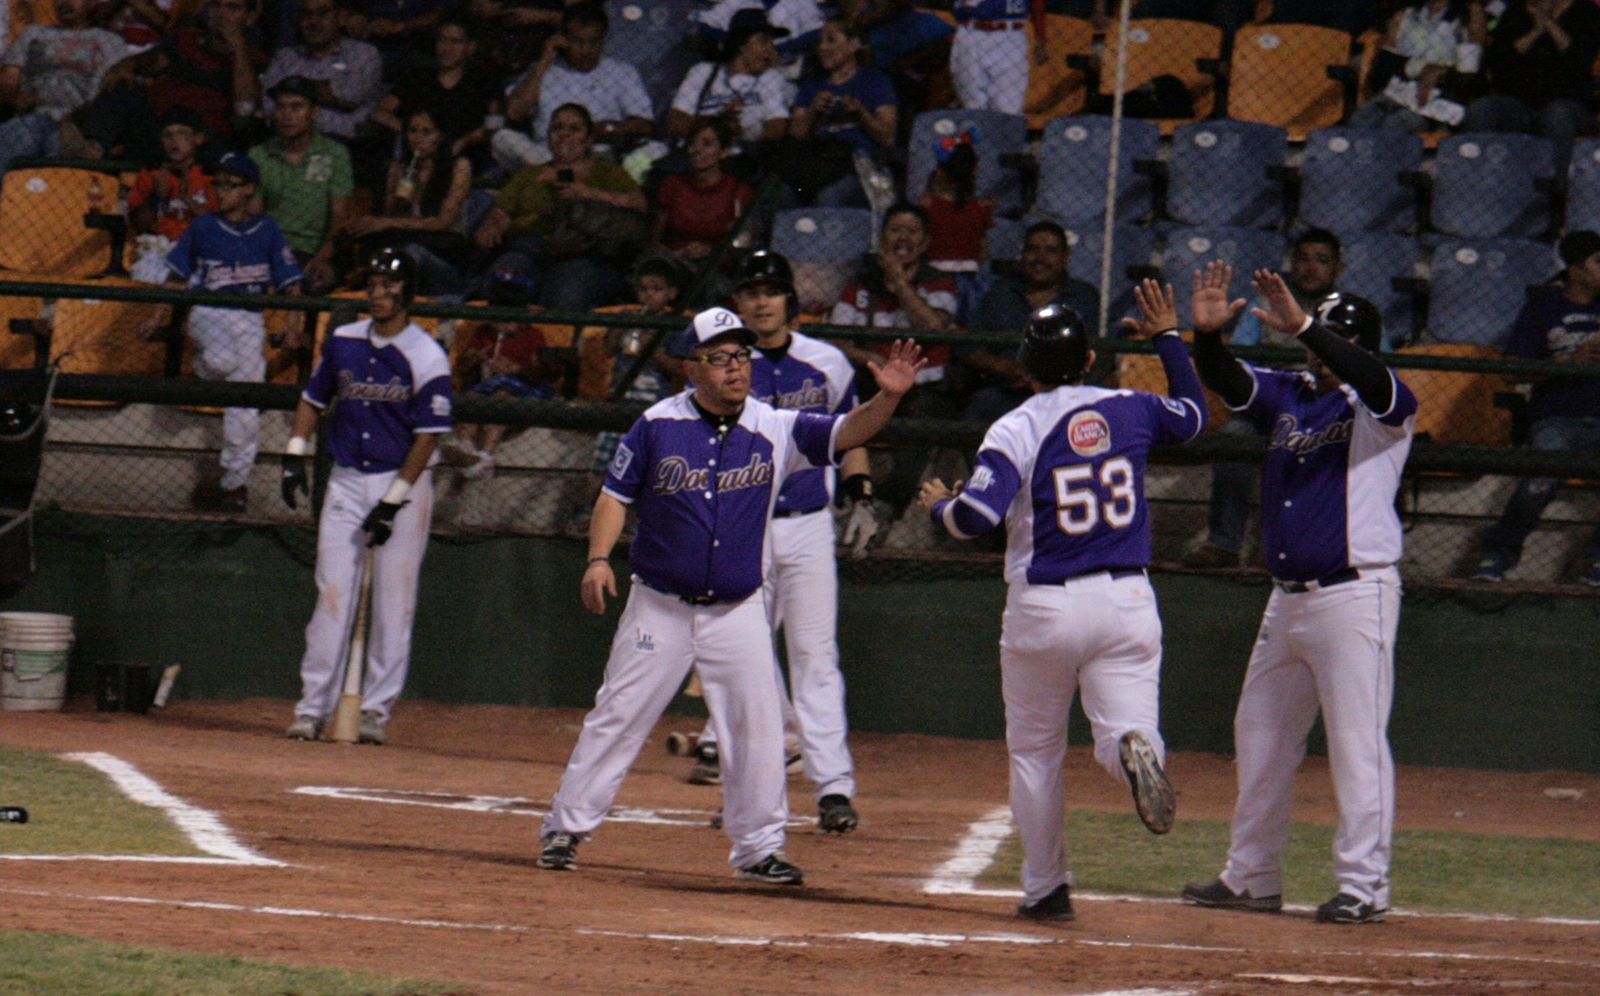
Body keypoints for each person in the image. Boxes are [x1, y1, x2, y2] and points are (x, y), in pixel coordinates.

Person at [534, 308, 925, 883]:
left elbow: (847, 433)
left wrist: (886, 398)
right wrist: (597, 559)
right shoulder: (656, 425)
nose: (735, 367)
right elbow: (615, 495)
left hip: (738, 609)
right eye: (719, 357)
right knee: (617, 716)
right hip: (660, 605)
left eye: (741, 355)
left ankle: (758, 848)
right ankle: (564, 828)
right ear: (693, 368)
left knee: (757, 729)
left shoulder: (775, 426)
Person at [918, 285, 1207, 921]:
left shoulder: (1017, 425)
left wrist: (939, 504)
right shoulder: (1129, 405)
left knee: (1036, 752)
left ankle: (1047, 887)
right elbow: (1193, 416)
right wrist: (1167, 339)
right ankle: (1137, 751)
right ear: (1088, 360)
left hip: (1046, 605)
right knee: (1125, 724)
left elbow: (975, 517)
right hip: (1128, 598)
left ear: (1026, 364)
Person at [1180, 262, 1418, 926]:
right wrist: (1205, 340)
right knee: (1258, 733)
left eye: (1332, 345)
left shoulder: (1382, 405)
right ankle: (1252, 875)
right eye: (1316, 347)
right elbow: (1230, 381)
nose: (1320, 358)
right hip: (1286, 599)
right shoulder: (1293, 393)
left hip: (1355, 594)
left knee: (1356, 743)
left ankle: (1365, 885)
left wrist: (1312, 325)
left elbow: (1374, 380)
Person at [676, 251, 875, 832]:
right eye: (750, 291)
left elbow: (849, 434)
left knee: (816, 657)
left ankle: (833, 788)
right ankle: (747, 794)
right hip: (746, 525)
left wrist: (861, 492)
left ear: (790, 299)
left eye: (771, 290)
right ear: (736, 302)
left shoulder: (827, 363)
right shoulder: (724, 367)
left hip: (810, 522)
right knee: (746, 663)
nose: (761, 301)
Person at [281, 249, 453, 746]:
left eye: (389, 286)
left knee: (392, 604)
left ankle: (374, 710)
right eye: (373, 285)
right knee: (332, 595)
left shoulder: (426, 355)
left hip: (402, 482)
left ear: (407, 292)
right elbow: (314, 398)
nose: (379, 294)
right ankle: (313, 709)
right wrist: (294, 453)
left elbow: (428, 435)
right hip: (347, 478)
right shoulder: (343, 341)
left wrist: (393, 501)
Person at [1184, 230, 1383, 570]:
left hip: (1351, 416)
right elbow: (1231, 372)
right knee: (1235, 434)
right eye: (1303, 259)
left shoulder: (1360, 315)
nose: (1310, 268)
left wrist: (1306, 331)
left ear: (1339, 267)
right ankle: (1225, 543)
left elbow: (1381, 373)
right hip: (1282, 406)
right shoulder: (1268, 315)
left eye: (1322, 260)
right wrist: (1207, 336)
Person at [133, 152, 303, 513]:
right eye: (218, 183)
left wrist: (292, 326)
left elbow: (292, 285)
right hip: (208, 313)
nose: (221, 190)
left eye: (230, 184)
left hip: (250, 319)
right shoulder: (204, 227)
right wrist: (157, 317)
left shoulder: (268, 229)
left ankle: (235, 483)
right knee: (226, 363)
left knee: (247, 390)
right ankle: (205, 367)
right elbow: (176, 278)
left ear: (249, 190)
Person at [1472, 230, 1600, 585]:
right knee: (1537, 483)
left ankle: (1597, 562)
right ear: (1575, 270)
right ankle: (1498, 554)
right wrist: (1569, 362)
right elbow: (1512, 373)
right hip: (1558, 418)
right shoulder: (1544, 308)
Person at [830, 203, 959, 524]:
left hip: (924, 386)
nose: (903, 238)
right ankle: (840, 501)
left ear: (926, 242)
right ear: (882, 237)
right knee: (836, 410)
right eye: (895, 230)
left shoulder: (939, 282)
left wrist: (899, 283)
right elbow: (838, 341)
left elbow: (933, 327)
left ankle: (884, 507)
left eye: (912, 231)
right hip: (873, 381)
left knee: (924, 424)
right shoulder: (861, 284)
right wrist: (870, 358)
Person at [472, 102, 648, 311]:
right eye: (557, 128)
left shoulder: (608, 172)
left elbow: (638, 203)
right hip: (529, 248)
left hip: (582, 252)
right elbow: (500, 212)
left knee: (565, 296)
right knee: (504, 285)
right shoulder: (530, 174)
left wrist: (587, 192)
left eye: (574, 129)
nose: (564, 134)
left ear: (589, 138)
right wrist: (492, 225)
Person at [963, 219, 1099, 424]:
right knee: (983, 404)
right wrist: (1007, 368)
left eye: (1051, 251)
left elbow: (1087, 353)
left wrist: (1040, 376)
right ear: (1022, 255)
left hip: (1062, 394)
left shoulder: (1083, 296)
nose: (1040, 258)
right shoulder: (1000, 293)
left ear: (1065, 258)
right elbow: (970, 349)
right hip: (1006, 392)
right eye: (1033, 249)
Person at [87, 0, 267, 150]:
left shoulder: (255, 61)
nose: (221, 13)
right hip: (158, 123)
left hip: (203, 135)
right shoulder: (186, 39)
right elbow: (151, 62)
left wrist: (238, 47)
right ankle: (93, 147)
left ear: (250, 17)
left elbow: (245, 108)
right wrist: (129, 64)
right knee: (123, 84)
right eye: (216, 5)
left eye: (232, 7)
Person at [496, 2, 653, 171]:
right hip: (547, 153)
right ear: (563, 39)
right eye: (578, 43)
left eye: (593, 43)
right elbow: (514, 113)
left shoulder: (621, 71)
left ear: (604, 40)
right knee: (502, 138)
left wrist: (602, 130)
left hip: (599, 151)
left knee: (655, 150)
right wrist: (544, 60)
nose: (585, 51)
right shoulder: (544, 71)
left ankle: (564, 176)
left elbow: (644, 125)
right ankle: (559, 174)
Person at [338, 107, 472, 298]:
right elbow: (390, 215)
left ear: (440, 136)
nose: (418, 138)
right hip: (404, 237)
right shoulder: (400, 167)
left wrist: (386, 222)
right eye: (413, 131)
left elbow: (444, 221)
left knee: (408, 254)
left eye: (427, 132)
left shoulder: (459, 167)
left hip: (442, 250)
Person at [443, 276, 562, 480]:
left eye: (508, 321)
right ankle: (465, 446)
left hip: (523, 388)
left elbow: (548, 372)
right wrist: (471, 359)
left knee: (501, 398)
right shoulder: (484, 333)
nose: (501, 326)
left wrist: (516, 369)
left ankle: (486, 456)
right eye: (497, 320)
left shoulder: (534, 335)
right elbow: (461, 366)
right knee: (471, 397)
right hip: (485, 385)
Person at [1458, 0, 1600, 167]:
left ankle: (1554, 184)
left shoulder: (1587, 12)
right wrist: (1536, 30)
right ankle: (1480, 180)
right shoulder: (1516, 12)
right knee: (1482, 109)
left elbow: (1580, 60)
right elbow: (1499, 61)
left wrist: (1549, 23)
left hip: (1570, 104)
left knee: (1557, 115)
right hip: (1521, 105)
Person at [250, 75, 355, 295]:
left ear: (314, 112)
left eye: (296, 107)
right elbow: (254, 215)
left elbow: (339, 215)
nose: (287, 115)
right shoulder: (259, 155)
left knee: (316, 283)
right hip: (271, 249)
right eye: (281, 107)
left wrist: (322, 257)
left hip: (314, 250)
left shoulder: (334, 153)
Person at [0, 0, 130, 174]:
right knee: (17, 133)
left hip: (79, 127)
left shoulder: (109, 41)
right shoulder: (33, 33)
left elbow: (113, 89)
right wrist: (15, 99)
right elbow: (8, 79)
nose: (65, 3)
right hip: (32, 118)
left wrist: (80, 118)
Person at [787, 15, 897, 208]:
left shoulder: (875, 82)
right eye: (820, 41)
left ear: (853, 45)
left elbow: (887, 137)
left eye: (831, 40)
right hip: (816, 162)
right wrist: (813, 110)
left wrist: (861, 113)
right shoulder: (811, 86)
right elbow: (796, 133)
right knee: (781, 195)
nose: (822, 47)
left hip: (855, 165)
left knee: (829, 197)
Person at [373, 18, 503, 163]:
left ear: (470, 47)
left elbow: (495, 124)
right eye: (442, 40)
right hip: (415, 156)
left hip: (463, 158)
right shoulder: (417, 77)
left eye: (456, 42)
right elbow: (380, 112)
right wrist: (415, 133)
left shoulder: (485, 82)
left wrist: (463, 142)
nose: (447, 48)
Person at [1347, 0, 1485, 133]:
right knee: (1361, 118)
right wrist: (1423, 68)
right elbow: (1384, 68)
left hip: (1439, 99)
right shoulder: (1405, 14)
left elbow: (1468, 76)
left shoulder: (1468, 16)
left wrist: (1441, 71)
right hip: (1398, 92)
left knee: (1395, 124)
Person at [260, 0, 386, 142]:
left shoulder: (364, 53)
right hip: (291, 143)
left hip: (348, 144)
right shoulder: (286, 58)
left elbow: (350, 97)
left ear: (340, 18)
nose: (314, 22)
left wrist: (294, 91)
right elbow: (269, 105)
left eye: (323, 13)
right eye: (307, 14)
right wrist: (323, 93)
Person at [668, 8, 792, 146]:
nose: (770, 50)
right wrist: (720, 123)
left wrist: (747, 131)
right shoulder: (703, 71)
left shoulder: (770, 78)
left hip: (742, 157)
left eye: (772, 43)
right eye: (763, 42)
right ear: (741, 44)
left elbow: (778, 127)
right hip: (696, 151)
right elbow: (676, 123)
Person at [127, 105, 216, 285]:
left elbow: (220, 226)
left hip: (200, 249)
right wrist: (156, 196)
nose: (174, 140)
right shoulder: (151, 174)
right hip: (159, 246)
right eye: (168, 135)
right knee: (145, 277)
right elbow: (139, 226)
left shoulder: (212, 175)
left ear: (198, 139)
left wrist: (187, 199)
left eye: (183, 133)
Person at [652, 118, 755, 262]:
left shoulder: (737, 192)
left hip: (714, 268)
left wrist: (711, 251)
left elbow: (741, 246)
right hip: (673, 264)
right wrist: (671, 255)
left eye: (707, 144)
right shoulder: (673, 185)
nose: (697, 150)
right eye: (693, 143)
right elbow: (655, 240)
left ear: (723, 152)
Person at [950, 0, 1046, 116]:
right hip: (971, 32)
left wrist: (1040, 37)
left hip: (1011, 35)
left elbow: (1037, 4)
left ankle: (1003, 132)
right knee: (972, 103)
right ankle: (974, 131)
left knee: (1008, 108)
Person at [696, 0, 826, 77]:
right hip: (741, 74)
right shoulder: (738, 2)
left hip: (784, 73)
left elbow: (819, 32)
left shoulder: (799, 2)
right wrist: (741, 45)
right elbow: (705, 27)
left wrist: (779, 50)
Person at [920, 142, 992, 271]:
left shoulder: (927, 205)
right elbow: (983, 253)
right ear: (975, 170)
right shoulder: (982, 207)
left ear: (941, 172)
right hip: (969, 271)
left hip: (933, 271)